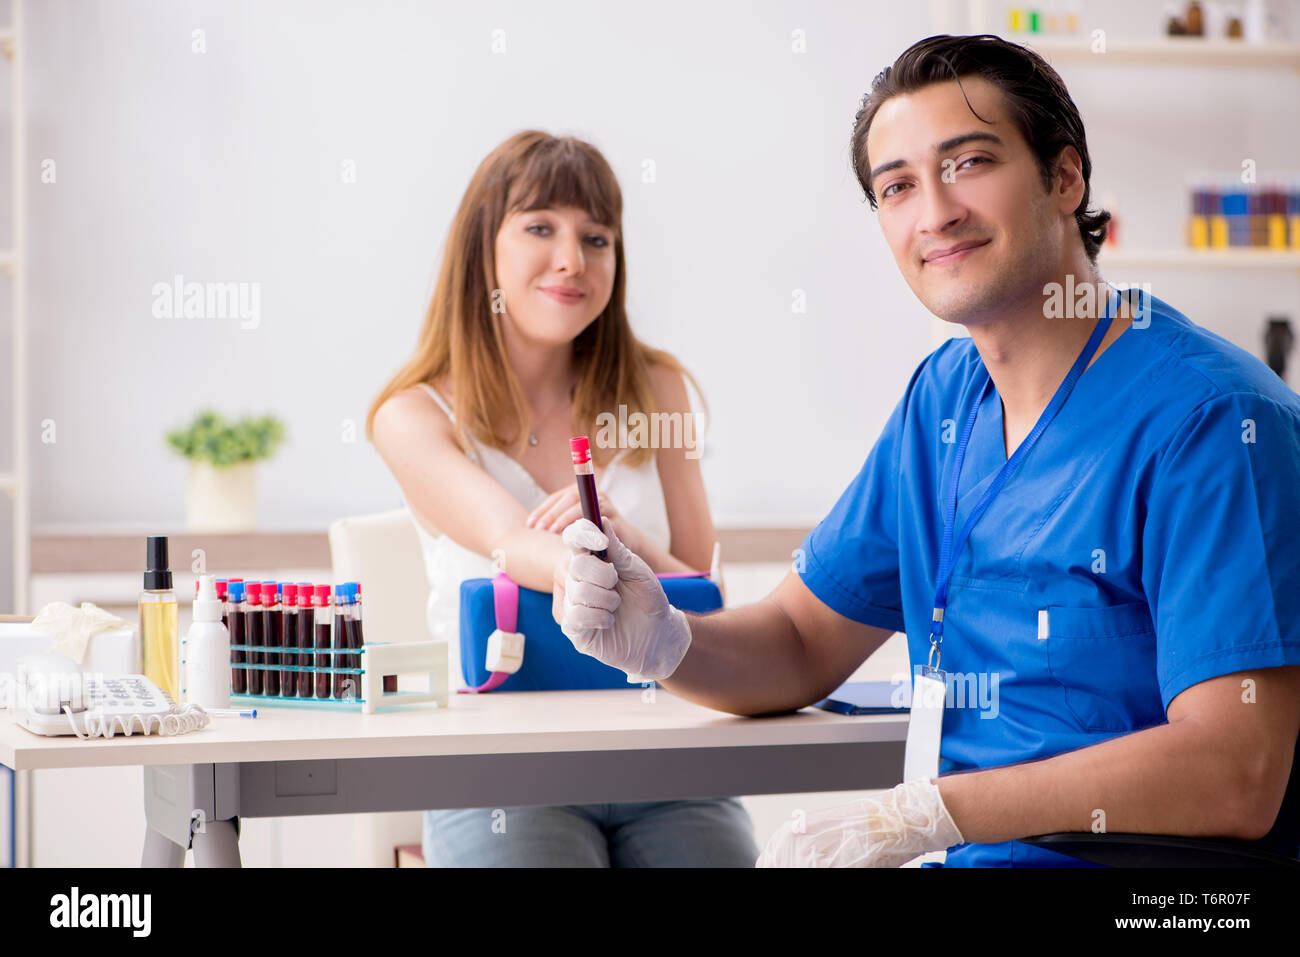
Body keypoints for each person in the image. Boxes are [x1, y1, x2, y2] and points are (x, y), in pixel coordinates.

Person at [554, 35, 1300, 867]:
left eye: (969, 162)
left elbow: (1239, 769)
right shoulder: (944, 401)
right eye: (898, 186)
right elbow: (801, 641)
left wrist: (932, 812)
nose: (935, 212)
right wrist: (666, 642)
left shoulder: (1212, 423)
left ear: (1065, 177)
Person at [367, 130, 758, 867]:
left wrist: (625, 535)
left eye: (597, 237)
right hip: (502, 769)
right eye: (540, 227)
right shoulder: (412, 415)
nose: (573, 259)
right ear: (484, 248)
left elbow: (707, 601)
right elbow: (509, 540)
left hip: (670, 760)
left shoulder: (660, 390)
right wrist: (590, 555)